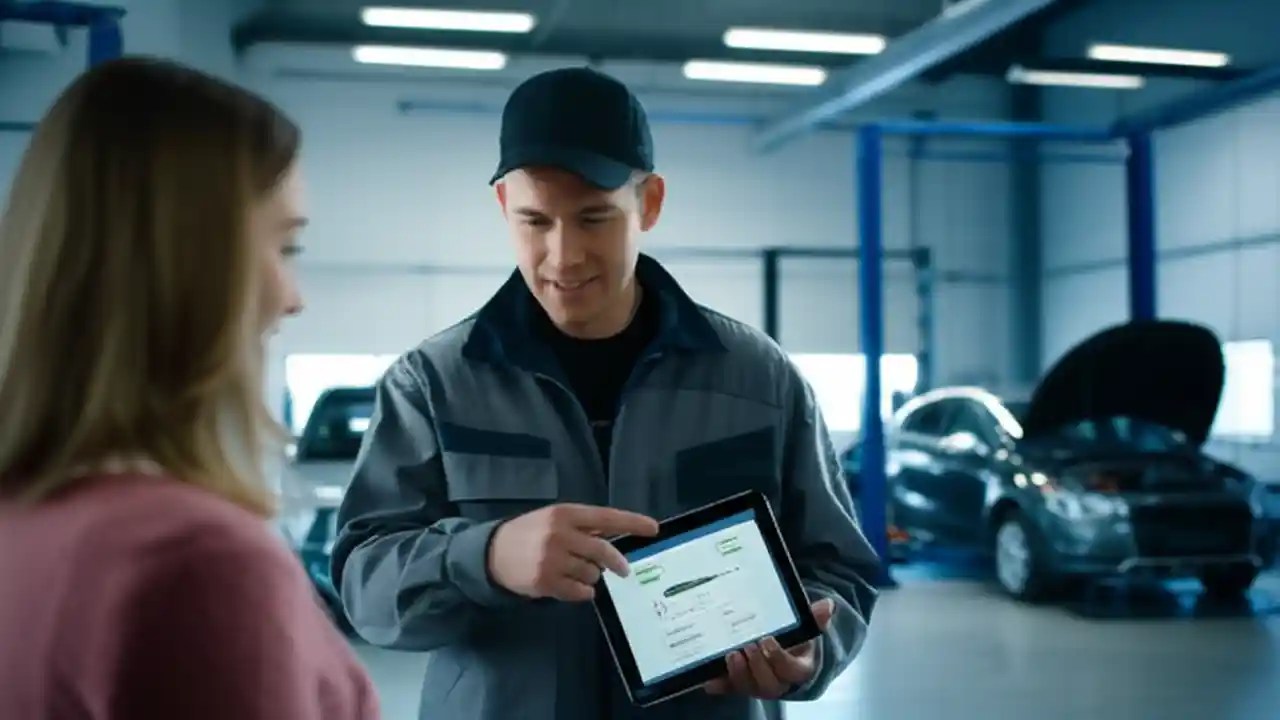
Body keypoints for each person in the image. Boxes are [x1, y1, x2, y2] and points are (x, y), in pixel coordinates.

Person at [332, 66, 880, 720]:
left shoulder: (759, 378)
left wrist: (813, 651)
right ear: (505, 207)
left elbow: (838, 566)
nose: (563, 256)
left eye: (594, 218)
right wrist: (484, 557)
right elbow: (365, 587)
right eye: (536, 221)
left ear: (649, 203)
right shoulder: (432, 383)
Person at [0, 57, 378, 719]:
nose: (293, 299)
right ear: (193, 260)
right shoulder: (195, 562)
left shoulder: (29, 515)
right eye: (285, 249)